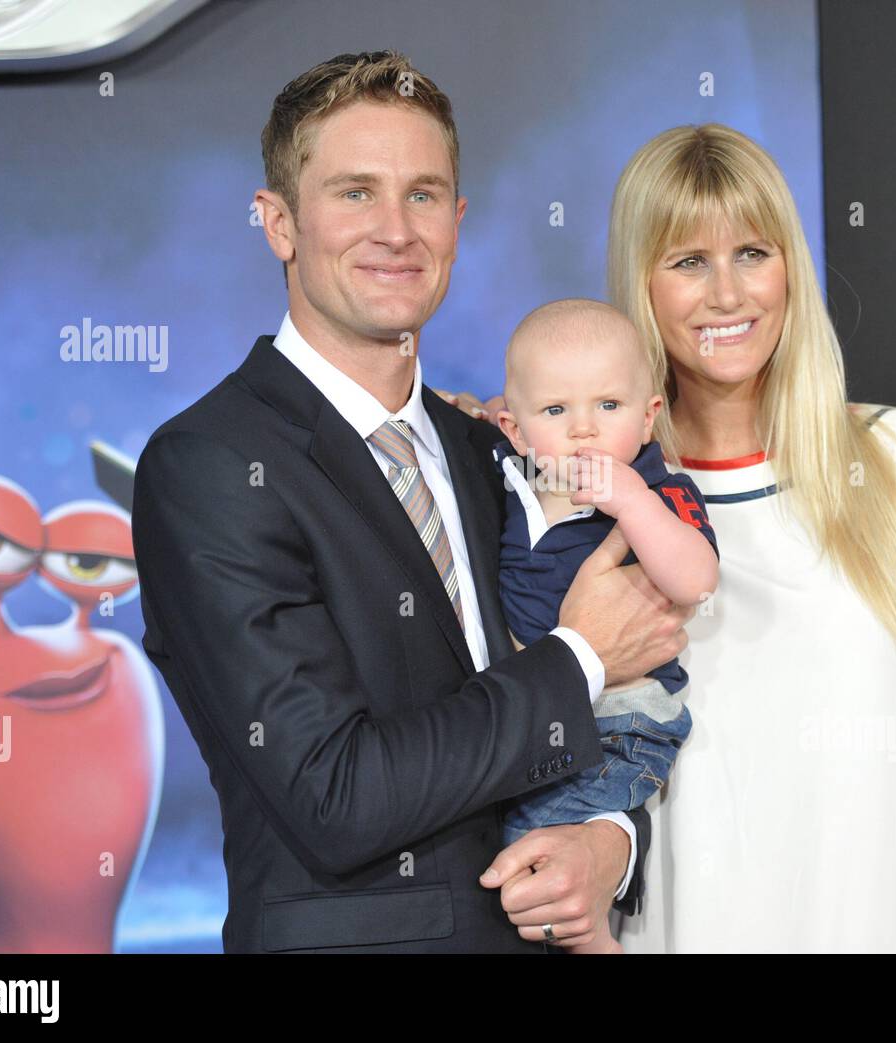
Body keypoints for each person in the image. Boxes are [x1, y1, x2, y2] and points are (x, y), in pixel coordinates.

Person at [130, 51, 693, 953]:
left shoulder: (495, 451)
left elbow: (620, 723)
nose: (396, 229)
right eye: (355, 193)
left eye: (423, 195)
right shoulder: (208, 467)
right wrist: (581, 653)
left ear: (458, 222)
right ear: (279, 222)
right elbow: (335, 792)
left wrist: (608, 843)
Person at [441, 123, 896, 953]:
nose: (726, 294)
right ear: (641, 285)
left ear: (792, 265)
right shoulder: (577, 503)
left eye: (752, 252)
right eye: (687, 261)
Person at [489, 298, 720, 953]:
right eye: (557, 411)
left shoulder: (658, 488)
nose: (585, 431)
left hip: (627, 719)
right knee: (510, 842)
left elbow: (695, 579)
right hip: (539, 722)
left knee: (537, 847)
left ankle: (595, 936)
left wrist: (632, 502)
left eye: (609, 407)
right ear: (514, 427)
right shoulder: (512, 477)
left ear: (650, 415)